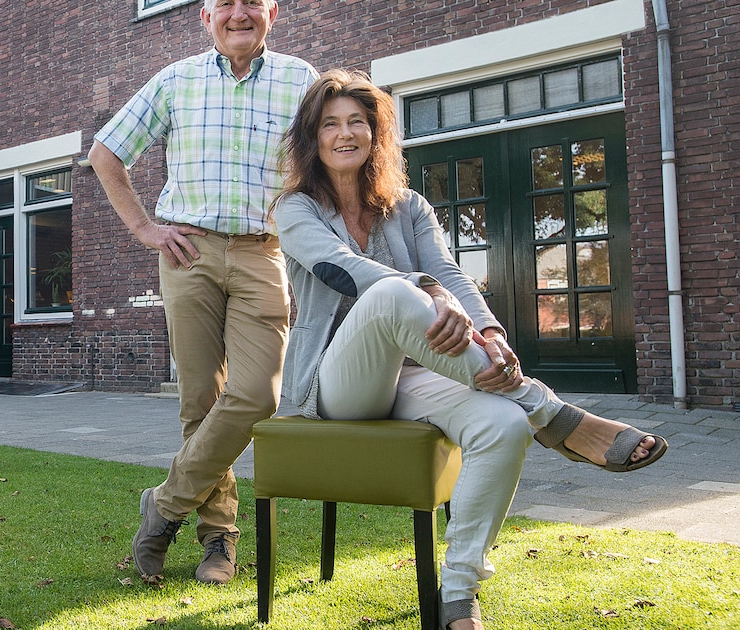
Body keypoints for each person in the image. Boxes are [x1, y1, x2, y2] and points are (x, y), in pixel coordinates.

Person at [271, 69, 668, 630]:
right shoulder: (295, 209)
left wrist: (495, 335)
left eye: (357, 121)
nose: (344, 134)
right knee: (389, 290)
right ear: (311, 139)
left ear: (374, 132)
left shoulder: (407, 206)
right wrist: (426, 289)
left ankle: (457, 595)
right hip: (338, 385)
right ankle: (551, 411)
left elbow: (450, 275)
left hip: (418, 373)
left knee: (503, 425)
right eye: (329, 124)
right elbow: (344, 270)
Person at [87, 0, 318, 585]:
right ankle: (219, 538)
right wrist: (144, 228)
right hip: (186, 252)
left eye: (251, 4)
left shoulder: (301, 81)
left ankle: (163, 507)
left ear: (272, 13)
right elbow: (106, 153)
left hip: (263, 251)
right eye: (225, 4)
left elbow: (328, 166)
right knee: (199, 400)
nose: (238, 14)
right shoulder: (176, 80)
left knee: (257, 394)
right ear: (205, 16)